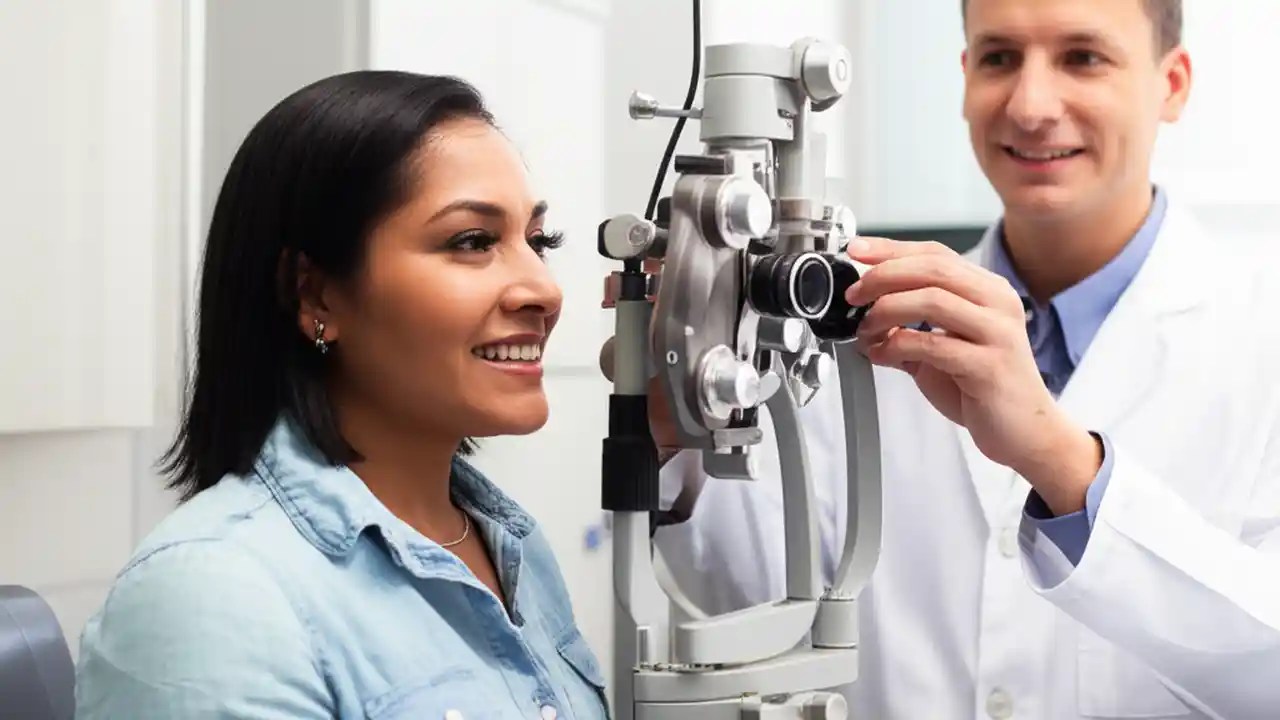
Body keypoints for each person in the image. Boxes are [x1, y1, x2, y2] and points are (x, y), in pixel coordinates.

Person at [653, 0, 1280, 717]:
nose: (1031, 104)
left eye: (1083, 57)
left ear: (1171, 84)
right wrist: (674, 421)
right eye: (999, 57)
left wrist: (1061, 462)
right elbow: (757, 600)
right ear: (964, 76)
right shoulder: (872, 323)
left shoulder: (1262, 336)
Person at [74, 71, 609, 719]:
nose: (543, 290)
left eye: (537, 242)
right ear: (316, 294)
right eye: (472, 242)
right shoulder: (215, 595)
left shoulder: (510, 547)